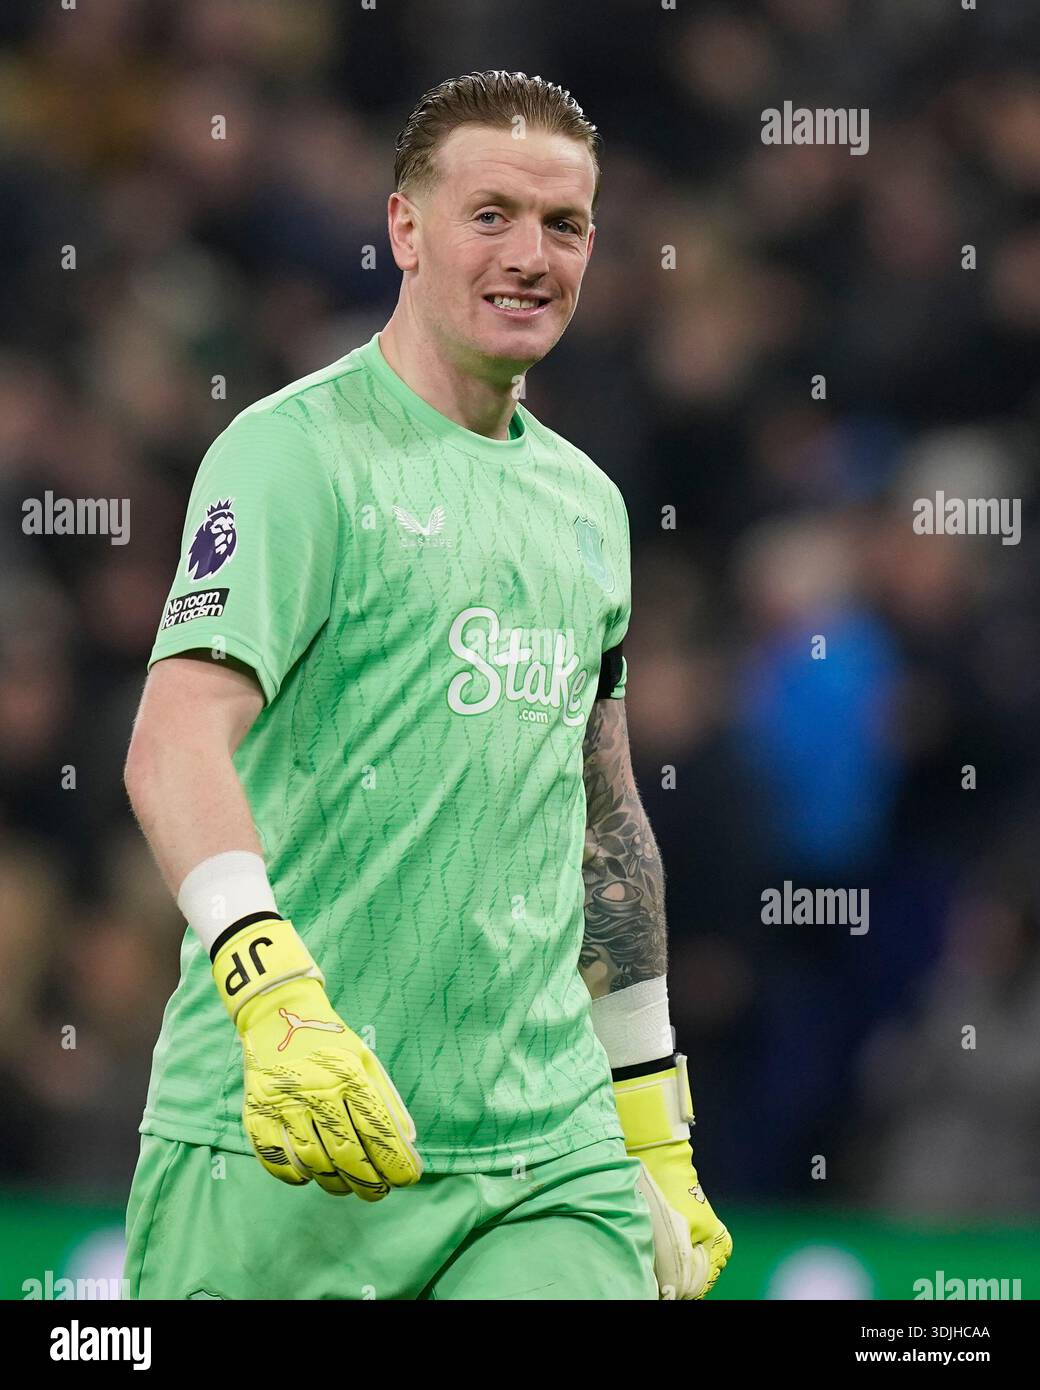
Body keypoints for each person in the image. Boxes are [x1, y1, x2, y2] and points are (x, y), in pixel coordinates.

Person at [121, 69, 730, 1301]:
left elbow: (604, 826)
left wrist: (648, 1116)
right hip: (278, 1138)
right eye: (489, 213)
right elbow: (173, 738)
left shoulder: (589, 507)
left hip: (536, 1160)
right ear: (405, 228)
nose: (530, 255)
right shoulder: (292, 455)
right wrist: (269, 990)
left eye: (563, 225)